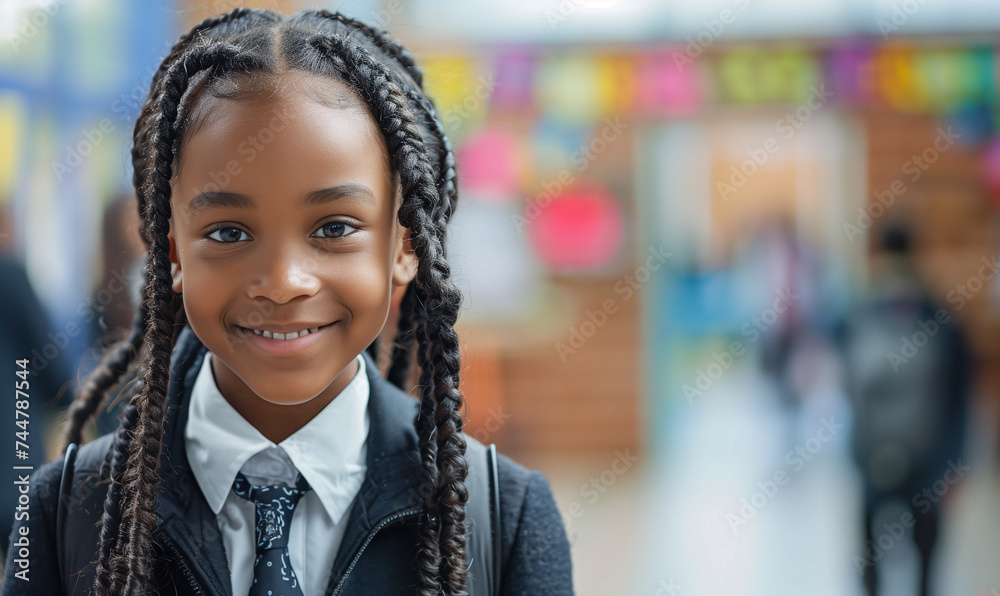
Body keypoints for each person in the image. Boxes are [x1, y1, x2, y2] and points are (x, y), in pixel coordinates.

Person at [2, 8, 573, 595]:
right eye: (228, 233)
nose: (283, 281)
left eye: (333, 228)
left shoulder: (502, 519)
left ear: (404, 243)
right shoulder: (67, 512)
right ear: (172, 252)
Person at [836, 223, 971, 596]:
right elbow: (960, 395)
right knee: (892, 552)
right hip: (894, 454)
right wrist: (956, 459)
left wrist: (955, 460)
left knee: (905, 549)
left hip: (902, 456)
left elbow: (957, 395)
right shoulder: (929, 318)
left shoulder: (925, 319)